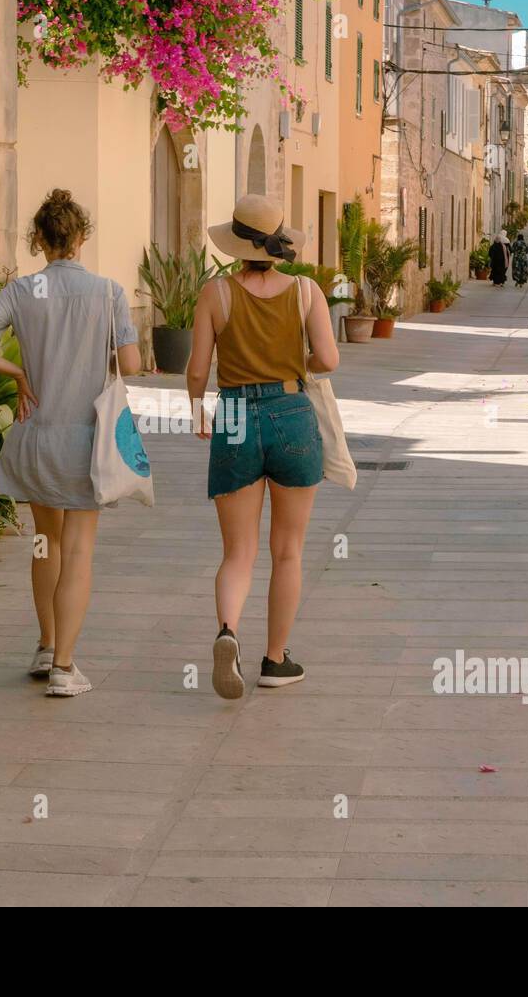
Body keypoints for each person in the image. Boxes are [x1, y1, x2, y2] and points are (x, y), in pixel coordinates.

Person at [0, 189, 142, 698]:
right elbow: (131, 365)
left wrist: (16, 369)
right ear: (80, 238)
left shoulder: (20, 292)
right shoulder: (109, 293)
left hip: (35, 436)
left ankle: (44, 644)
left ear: (38, 239)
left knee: (45, 542)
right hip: (87, 441)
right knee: (79, 548)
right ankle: (64, 667)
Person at [186, 194, 341, 700]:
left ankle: (228, 630)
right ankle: (275, 660)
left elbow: (197, 369)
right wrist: (297, 368)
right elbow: (328, 359)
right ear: (279, 243)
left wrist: (194, 407)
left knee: (238, 552)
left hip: (232, 412)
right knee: (288, 551)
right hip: (292, 411)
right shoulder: (305, 291)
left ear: (236, 244)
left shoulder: (216, 293)